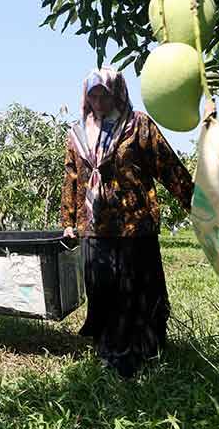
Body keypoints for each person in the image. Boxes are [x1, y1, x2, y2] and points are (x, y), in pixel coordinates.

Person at [61, 67, 194, 377]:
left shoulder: (138, 125)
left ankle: (146, 348)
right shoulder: (77, 133)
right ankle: (110, 349)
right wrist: (68, 219)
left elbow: (167, 165)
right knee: (103, 287)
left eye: (104, 95)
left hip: (134, 223)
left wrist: (194, 201)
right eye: (93, 96)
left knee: (138, 287)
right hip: (94, 226)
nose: (98, 102)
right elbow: (71, 178)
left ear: (118, 93)